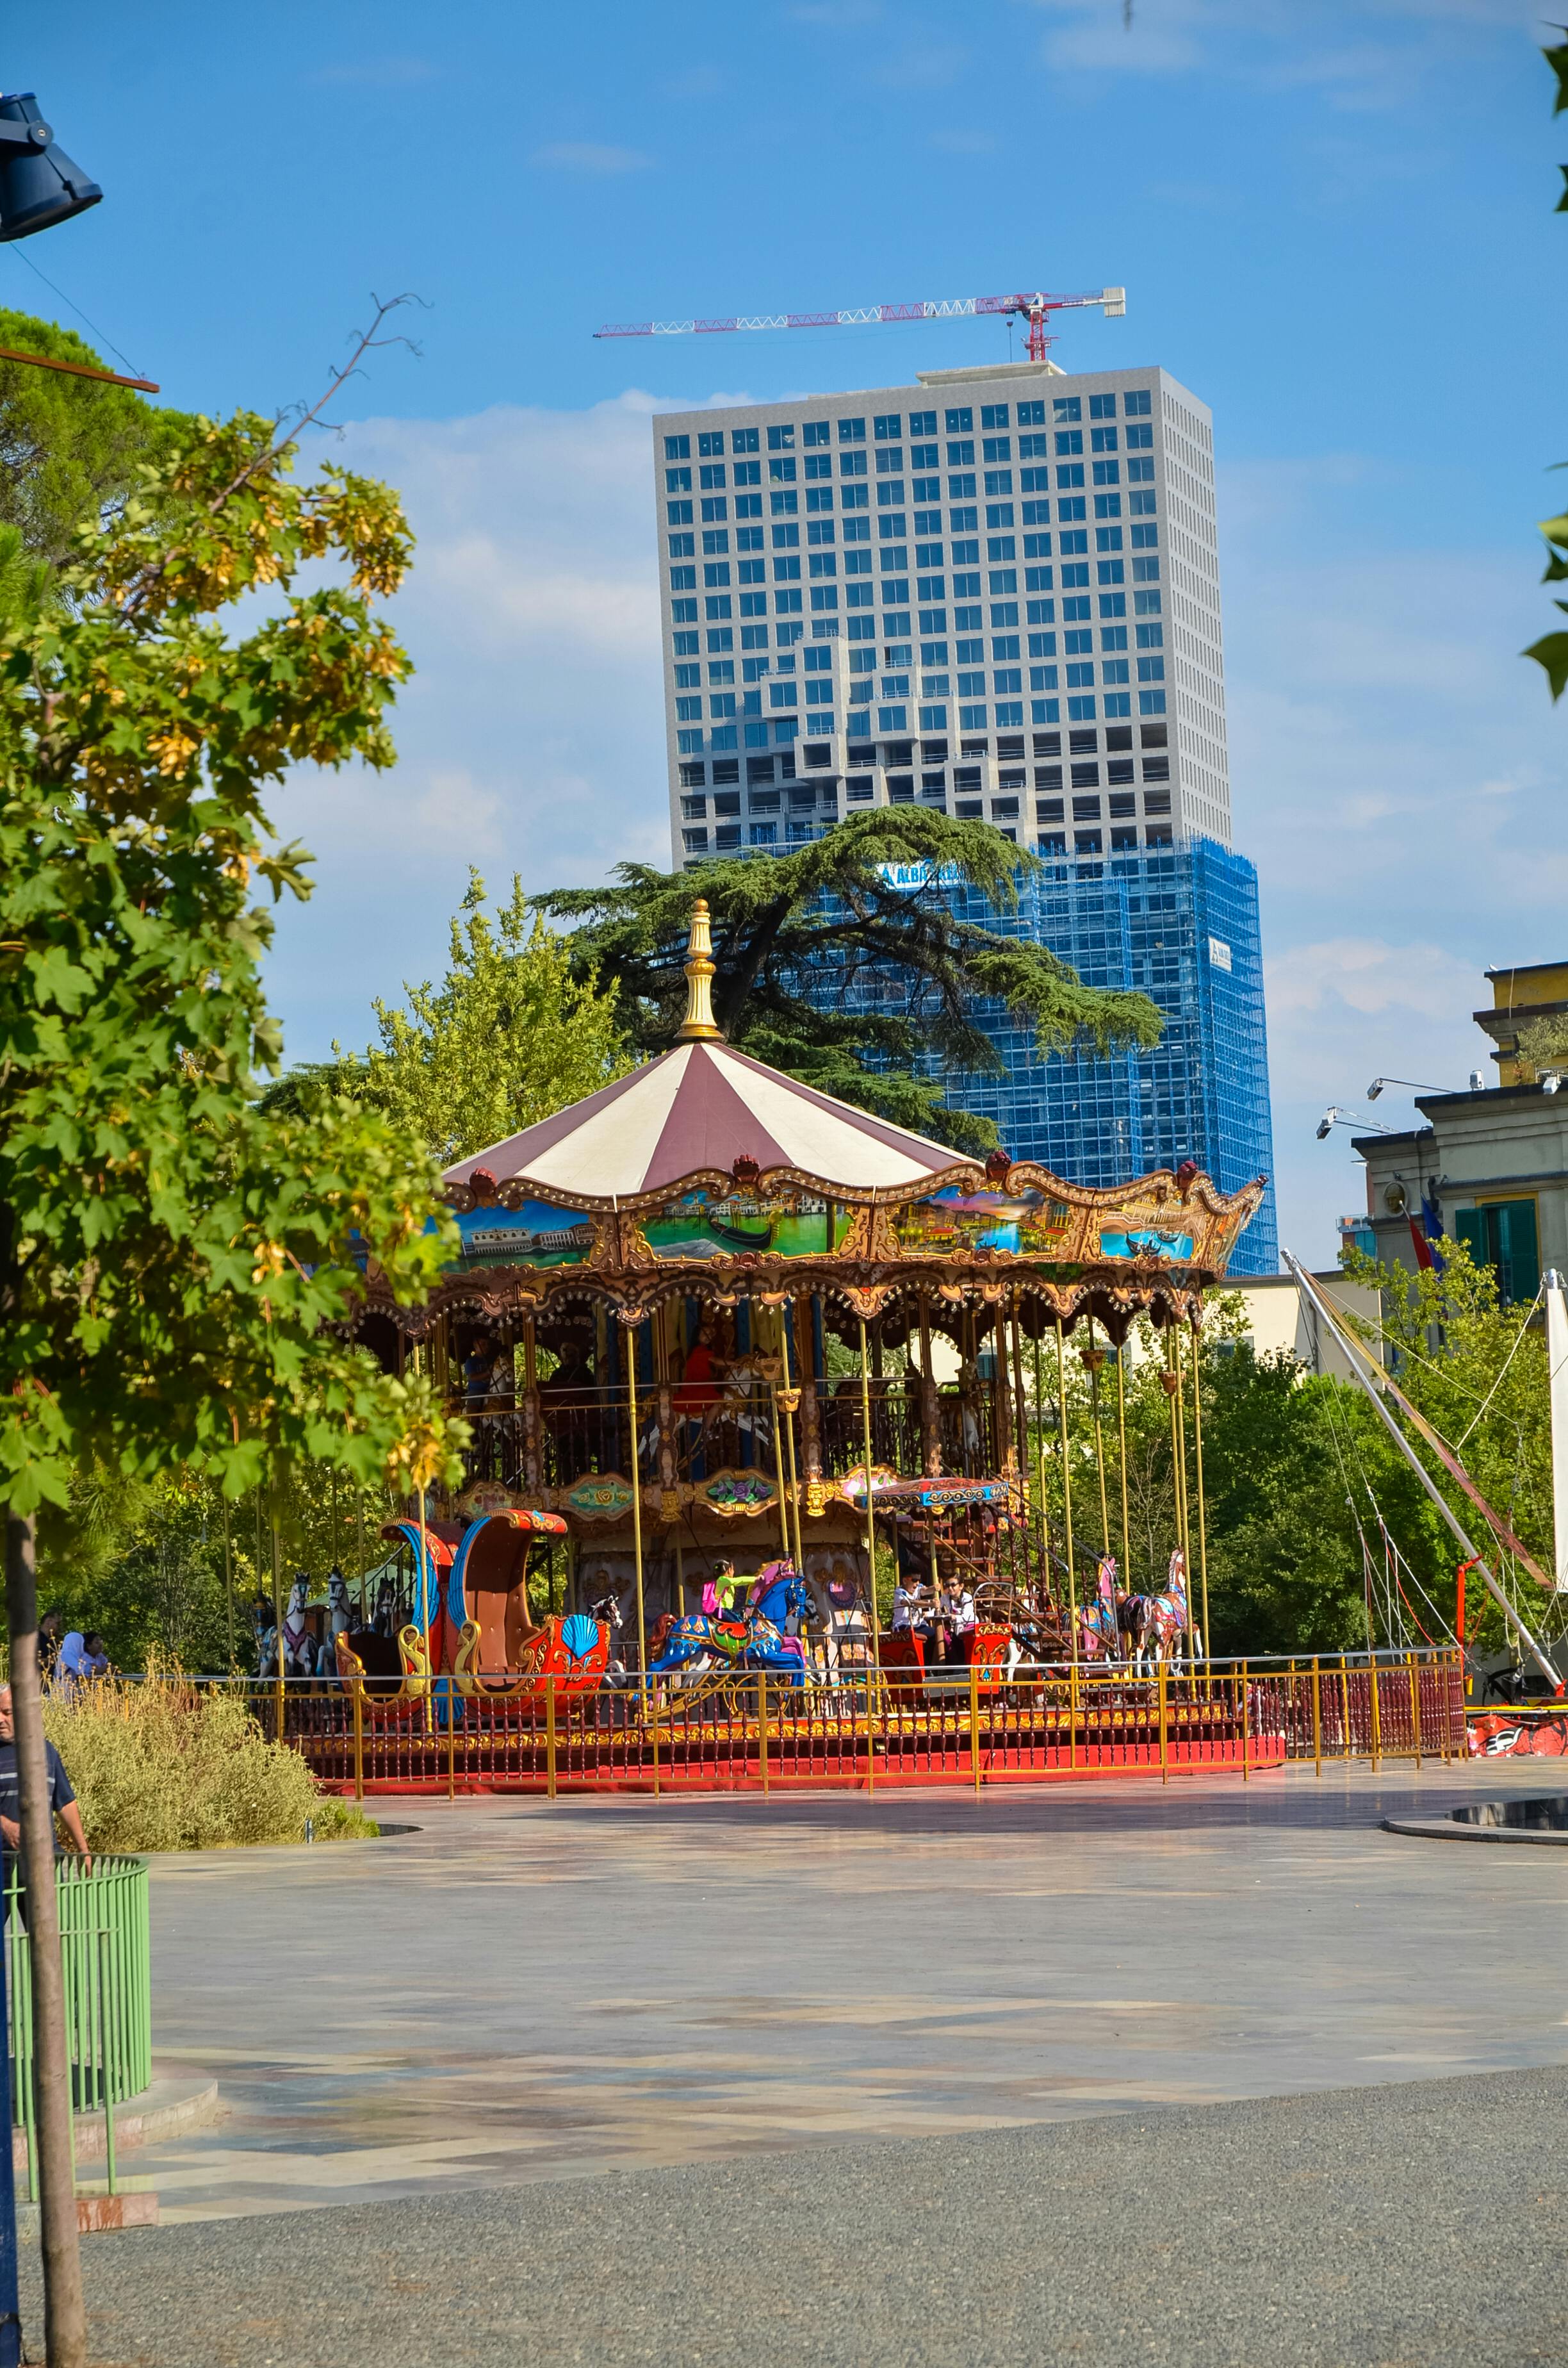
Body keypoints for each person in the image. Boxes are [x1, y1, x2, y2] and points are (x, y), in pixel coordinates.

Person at [0, 1683, 91, 1890]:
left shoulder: (45, 1752)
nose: (0, 1719)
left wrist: (82, 1849)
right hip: (2, 1864)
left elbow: (65, 1803)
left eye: (7, 1712)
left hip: (42, 1861)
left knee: (49, 1923)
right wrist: (5, 1825)